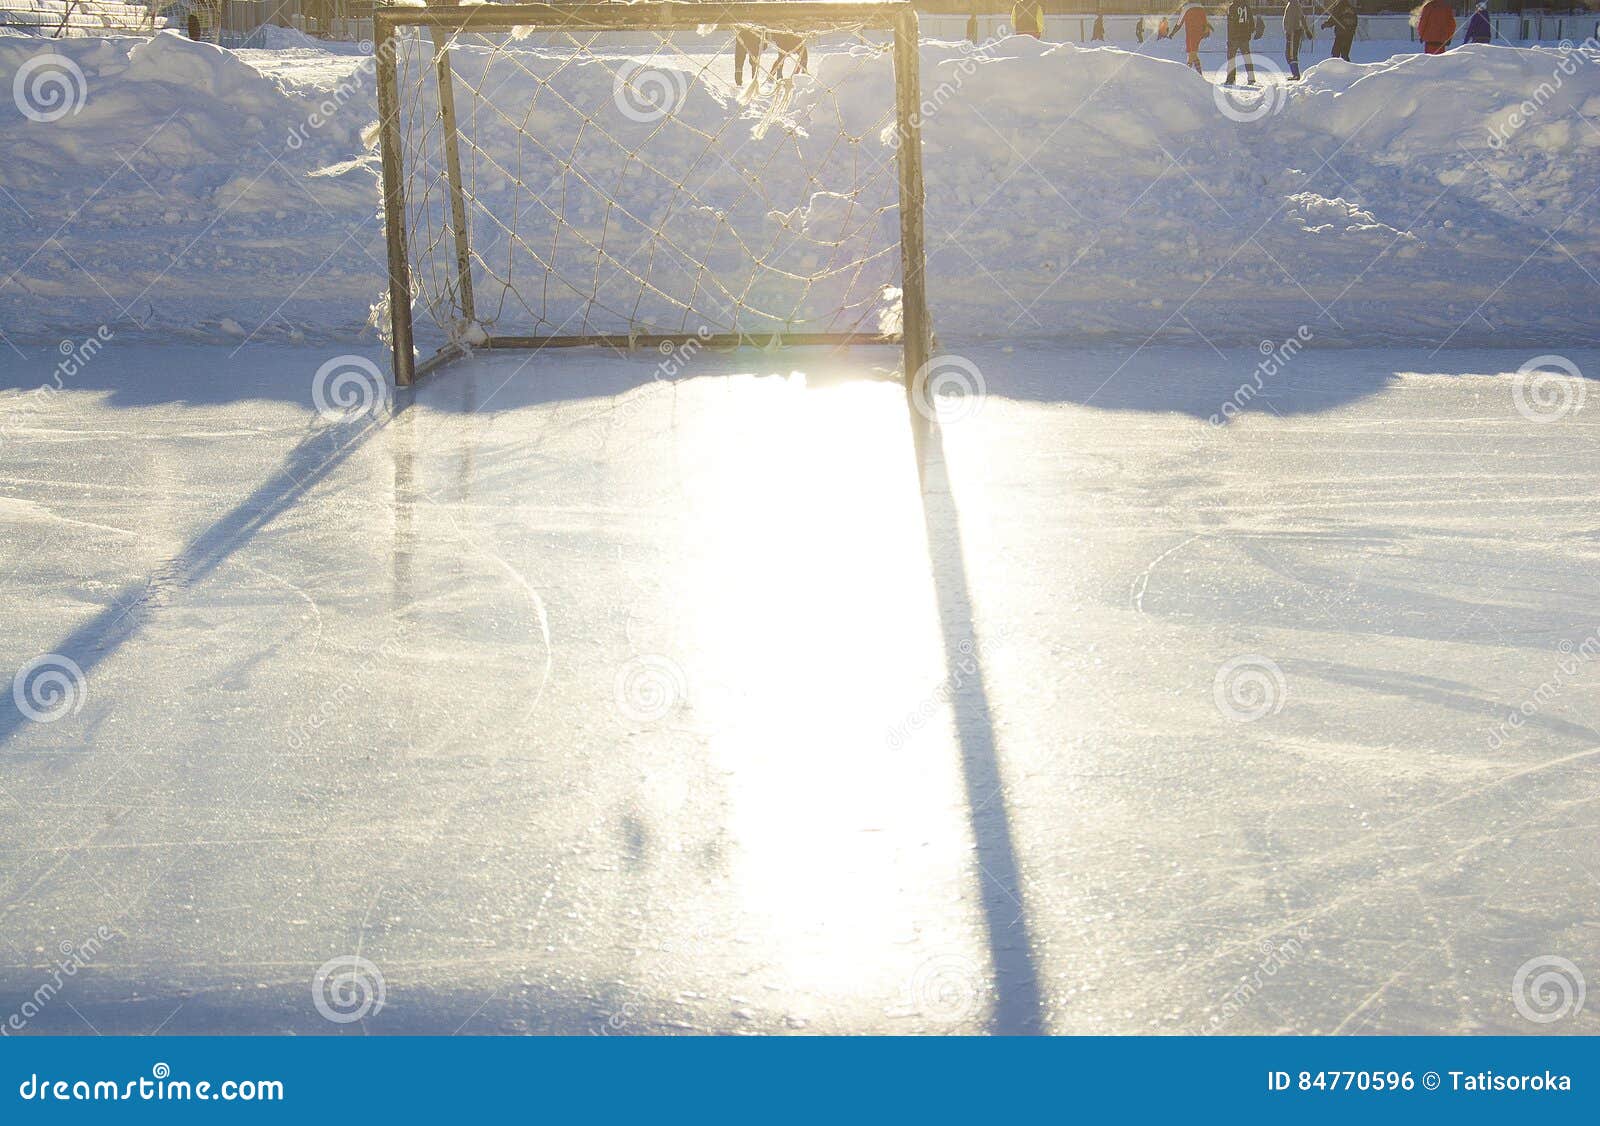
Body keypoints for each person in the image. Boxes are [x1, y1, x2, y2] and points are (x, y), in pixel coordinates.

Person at [1224, 0, 1257, 83]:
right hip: (1244, 36)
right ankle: (1251, 78)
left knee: (1231, 58)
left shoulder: (1232, 7)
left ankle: (1231, 79)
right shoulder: (1246, 6)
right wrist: (1249, 31)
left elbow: (1230, 24)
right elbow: (1251, 22)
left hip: (1234, 36)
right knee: (1247, 57)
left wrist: (1229, 38)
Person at [1175, 2, 1209, 74]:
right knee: (1193, 54)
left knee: (1191, 54)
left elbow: (1179, 23)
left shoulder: (1186, 8)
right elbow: (1205, 21)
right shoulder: (1201, 7)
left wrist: (1172, 33)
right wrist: (1206, 30)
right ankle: (1199, 75)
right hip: (1199, 34)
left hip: (1191, 34)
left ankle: (1188, 75)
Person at [1284, 0, 1313, 79]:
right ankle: (1295, 74)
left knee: (1291, 54)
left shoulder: (1294, 3)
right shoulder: (1292, 3)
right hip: (1291, 32)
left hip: (1293, 32)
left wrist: (1306, 30)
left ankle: (1296, 75)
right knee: (1289, 54)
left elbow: (1301, 18)